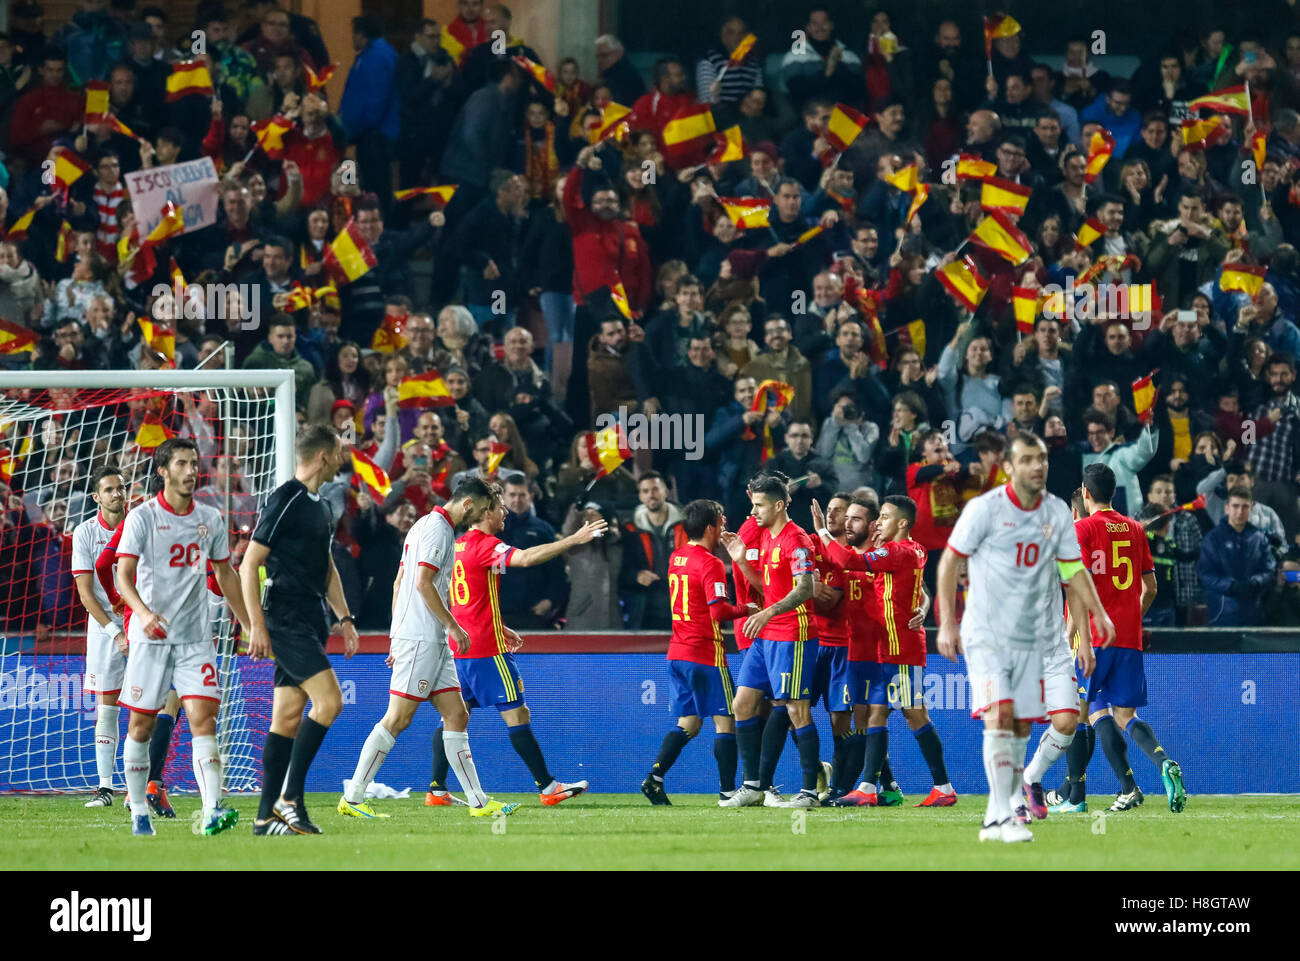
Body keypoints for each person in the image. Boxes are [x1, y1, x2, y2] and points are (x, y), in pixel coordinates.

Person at [935, 432, 1115, 843]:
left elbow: (1073, 572)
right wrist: (947, 623)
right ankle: (1000, 816)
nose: (1038, 466)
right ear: (1010, 467)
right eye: (1029, 459)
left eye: (1044, 459)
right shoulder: (985, 510)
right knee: (1001, 717)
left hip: (1038, 639)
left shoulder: (1055, 512)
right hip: (988, 633)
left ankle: (1006, 805)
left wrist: (1098, 615)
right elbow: (949, 563)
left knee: (1025, 727)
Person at [340, 476, 519, 819]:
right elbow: (422, 584)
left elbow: (401, 582)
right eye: (481, 509)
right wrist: (450, 625)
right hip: (422, 637)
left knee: (457, 715)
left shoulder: (424, 525)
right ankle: (354, 796)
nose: (480, 516)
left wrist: (399, 634)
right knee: (397, 718)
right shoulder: (438, 530)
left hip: (429, 638)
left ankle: (479, 802)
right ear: (468, 504)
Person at [114, 438, 252, 837]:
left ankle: (212, 810)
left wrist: (248, 623)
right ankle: (139, 807)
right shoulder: (142, 518)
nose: (191, 470)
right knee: (140, 726)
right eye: (181, 464)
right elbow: (123, 577)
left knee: (203, 718)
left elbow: (225, 575)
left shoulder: (209, 517)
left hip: (195, 638)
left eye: (194, 463)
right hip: (151, 637)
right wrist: (142, 614)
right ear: (163, 471)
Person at [444, 484, 607, 804]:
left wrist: (497, 624)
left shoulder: (457, 546)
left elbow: (459, 598)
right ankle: (548, 788)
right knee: (518, 715)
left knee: (455, 718)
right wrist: (574, 539)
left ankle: (436, 788)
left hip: (458, 647)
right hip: (486, 652)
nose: (505, 512)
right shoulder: (484, 545)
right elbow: (528, 558)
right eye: (499, 507)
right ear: (485, 512)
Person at [235, 427, 356, 835]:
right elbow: (249, 564)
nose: (343, 457)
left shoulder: (321, 506)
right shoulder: (286, 498)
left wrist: (345, 618)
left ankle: (264, 816)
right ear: (322, 456)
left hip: (311, 617)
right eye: (338, 451)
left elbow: (327, 568)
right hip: (284, 616)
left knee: (287, 717)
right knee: (330, 703)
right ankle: (291, 798)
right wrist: (255, 624)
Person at [821, 496, 950, 808]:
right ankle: (871, 787)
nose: (879, 522)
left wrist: (823, 533)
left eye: (885, 517)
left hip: (901, 650)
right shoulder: (914, 548)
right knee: (877, 714)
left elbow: (851, 561)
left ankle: (943, 787)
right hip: (890, 650)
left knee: (915, 716)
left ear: (902, 523)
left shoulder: (896, 550)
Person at [1075, 463, 1188, 814]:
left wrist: (1076, 635)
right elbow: (1150, 588)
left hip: (1093, 637)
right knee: (1125, 714)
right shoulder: (1136, 529)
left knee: (1082, 714)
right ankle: (1162, 763)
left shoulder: (1081, 528)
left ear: (1086, 493)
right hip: (1127, 636)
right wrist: (1129, 618)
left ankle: (1073, 795)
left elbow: (1075, 586)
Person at [640, 499, 755, 806]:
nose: (724, 527)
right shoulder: (711, 563)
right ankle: (728, 792)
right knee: (726, 721)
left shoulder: (677, 557)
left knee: (688, 724)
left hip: (677, 653)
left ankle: (654, 778)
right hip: (704, 653)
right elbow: (718, 611)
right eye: (720, 522)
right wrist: (748, 608)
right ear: (709, 528)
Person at [720, 473, 821, 809]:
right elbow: (765, 587)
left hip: (793, 633)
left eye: (760, 505)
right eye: (753, 504)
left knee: (796, 709)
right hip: (767, 635)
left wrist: (768, 613)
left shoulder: (798, 540)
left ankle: (808, 792)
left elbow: (805, 588)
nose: (754, 511)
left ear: (779, 505)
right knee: (742, 705)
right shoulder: (765, 537)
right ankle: (751, 786)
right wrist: (740, 561)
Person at [71, 466, 128, 808]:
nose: (117, 494)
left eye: (120, 488)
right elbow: (85, 593)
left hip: (141, 624)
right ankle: (105, 788)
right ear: (96, 497)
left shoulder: (140, 524)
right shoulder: (85, 533)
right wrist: (114, 631)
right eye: (109, 489)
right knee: (107, 710)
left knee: (145, 708)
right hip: (106, 627)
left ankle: (142, 786)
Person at [1198, 486, 1277, 627]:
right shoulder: (1213, 538)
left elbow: (1269, 570)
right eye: (1235, 506)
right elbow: (1205, 574)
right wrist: (1231, 586)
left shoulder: (1260, 538)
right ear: (1227, 508)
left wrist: (1255, 582)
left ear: (1251, 508)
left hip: (1253, 611)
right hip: (1221, 611)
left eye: (1245, 506)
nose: (1240, 511)